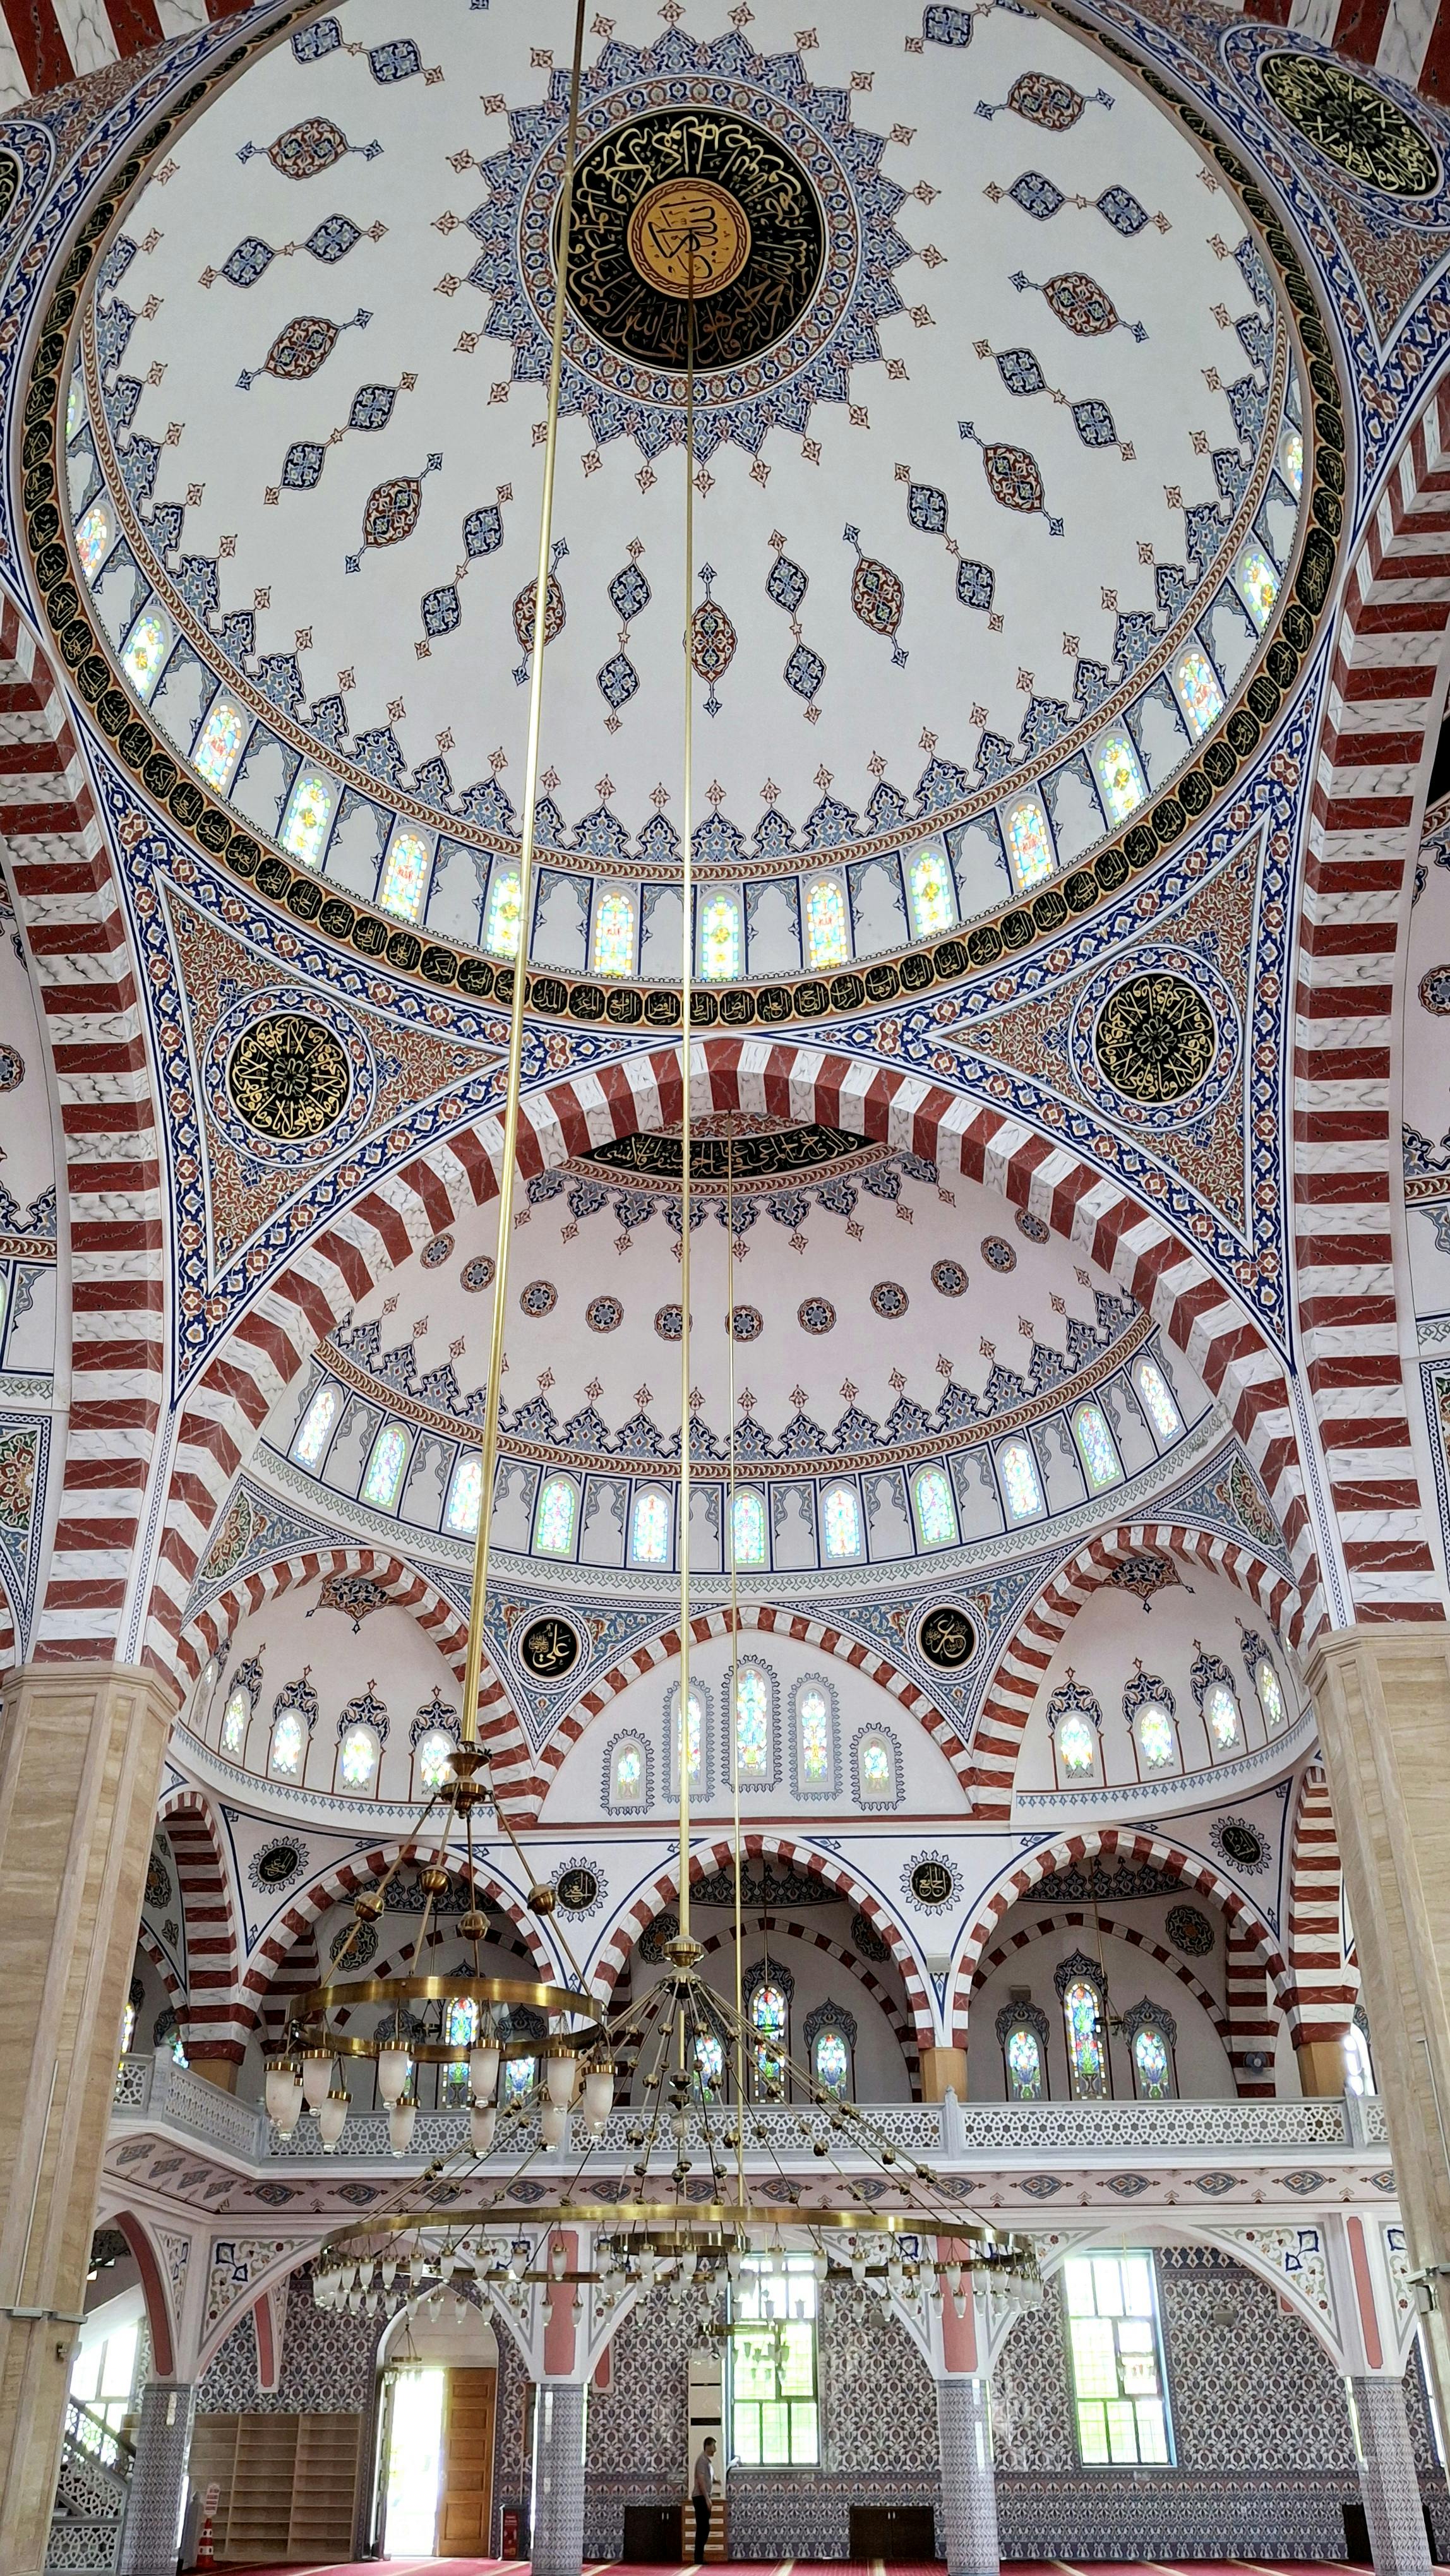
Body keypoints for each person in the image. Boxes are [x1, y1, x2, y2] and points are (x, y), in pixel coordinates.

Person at [691, 2435, 717, 2563]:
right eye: (714, 2446)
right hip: (700, 2497)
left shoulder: (707, 2461)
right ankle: (698, 2557)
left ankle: (699, 2556)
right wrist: (707, 2499)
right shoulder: (702, 2460)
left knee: (704, 2527)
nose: (715, 2449)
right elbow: (701, 2481)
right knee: (703, 2528)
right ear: (708, 2446)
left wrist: (715, 2481)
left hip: (703, 2497)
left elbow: (707, 2478)